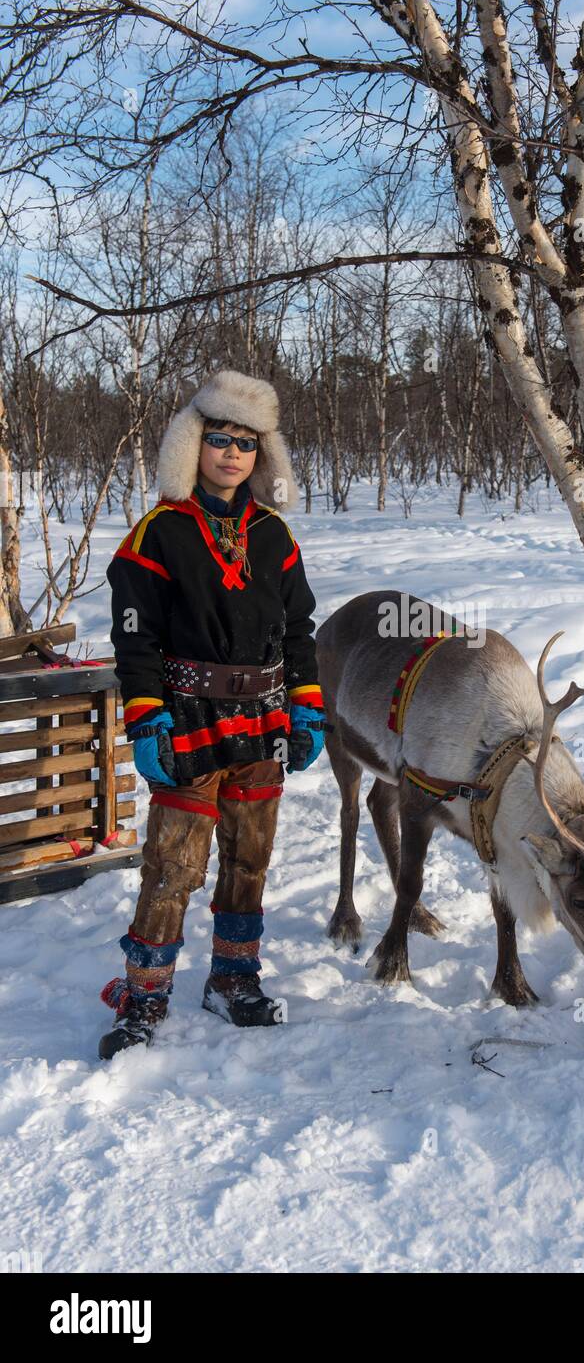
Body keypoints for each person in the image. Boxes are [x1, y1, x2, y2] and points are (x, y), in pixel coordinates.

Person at [98, 369, 327, 1060]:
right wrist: (146, 718)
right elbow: (133, 636)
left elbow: (297, 631)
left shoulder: (273, 534)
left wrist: (306, 709)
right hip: (187, 716)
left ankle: (233, 978)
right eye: (220, 439)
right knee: (173, 862)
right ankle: (144, 996)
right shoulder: (158, 533)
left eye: (247, 444)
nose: (232, 454)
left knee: (249, 857)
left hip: (260, 718)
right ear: (193, 444)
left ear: (263, 457)